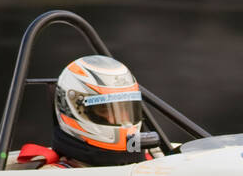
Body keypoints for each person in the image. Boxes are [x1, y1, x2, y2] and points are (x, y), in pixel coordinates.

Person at [14, 55, 151, 168]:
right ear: (72, 109)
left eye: (126, 109)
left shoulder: (155, 157)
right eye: (104, 110)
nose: (123, 119)